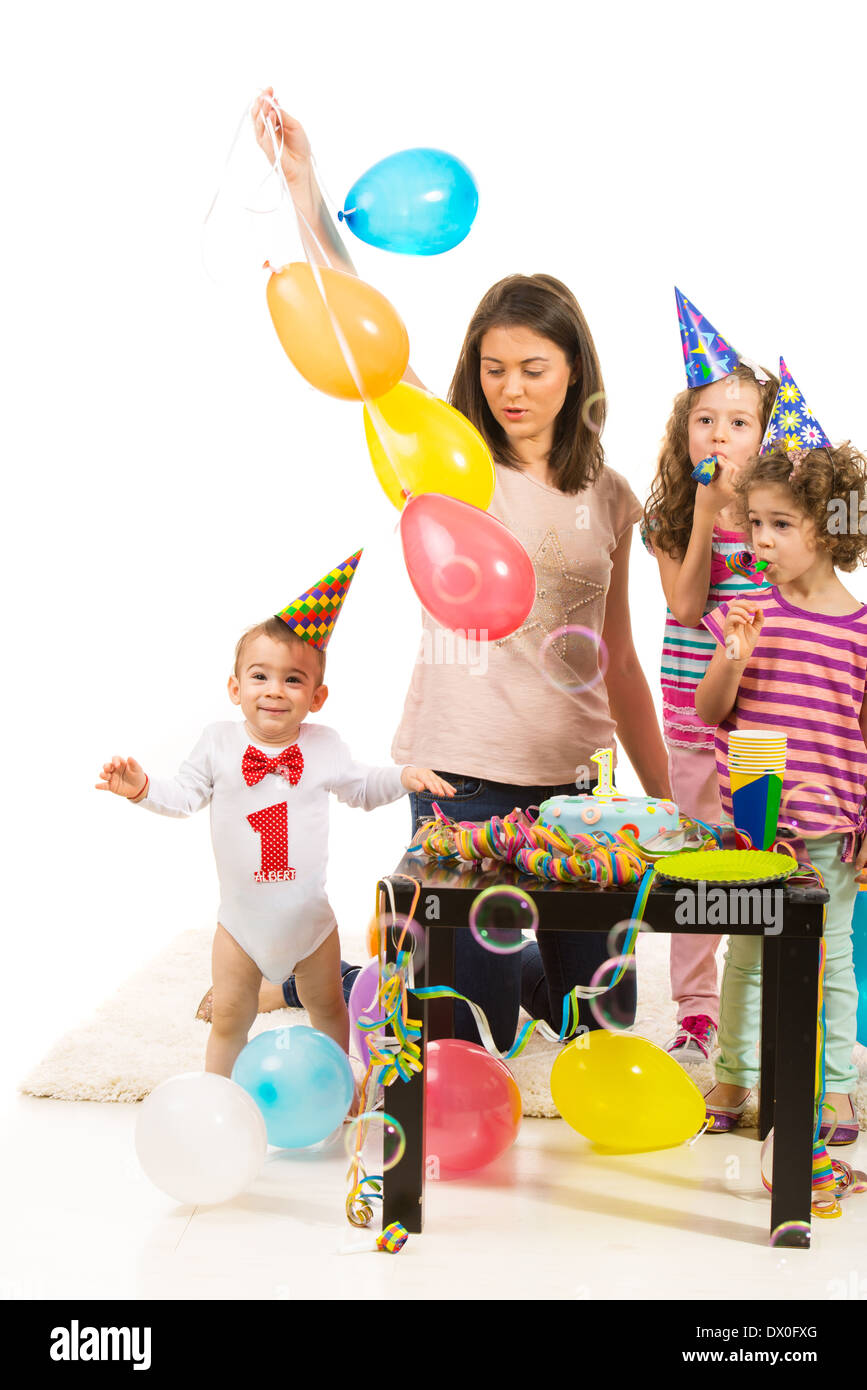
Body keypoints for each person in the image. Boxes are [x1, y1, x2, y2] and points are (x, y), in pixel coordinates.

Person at [248, 90, 673, 1051]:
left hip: (577, 785)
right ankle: (328, 975)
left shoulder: (608, 495)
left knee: (594, 1018)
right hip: (462, 776)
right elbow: (354, 334)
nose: (510, 388)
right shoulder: (444, 466)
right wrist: (307, 186)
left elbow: (622, 661)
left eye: (532, 367)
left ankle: (398, 967)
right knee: (462, 1026)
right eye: (492, 368)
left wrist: (665, 802)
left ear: (574, 371)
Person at [95, 562, 453, 1079]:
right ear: (235, 687)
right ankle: (217, 1098)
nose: (275, 690)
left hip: (310, 922)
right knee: (229, 1019)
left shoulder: (323, 745)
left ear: (316, 696)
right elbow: (183, 797)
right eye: (259, 676)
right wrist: (143, 789)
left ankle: (337, 1091)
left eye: (293, 680)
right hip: (240, 925)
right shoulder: (218, 743)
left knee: (328, 1009)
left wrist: (404, 776)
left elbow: (360, 786)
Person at [695, 368, 867, 1144]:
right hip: (756, 831)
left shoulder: (860, 629)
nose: (759, 540)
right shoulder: (747, 611)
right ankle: (734, 1074)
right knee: (747, 959)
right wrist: (730, 656)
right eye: (755, 523)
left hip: (831, 830)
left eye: (780, 525)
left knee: (831, 966)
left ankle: (832, 1091)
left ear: (829, 529)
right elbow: (709, 712)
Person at [642, 292, 778, 1065]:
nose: (719, 433)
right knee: (694, 863)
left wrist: (750, 516)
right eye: (704, 420)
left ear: (764, 435)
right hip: (694, 721)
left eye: (737, 421)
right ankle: (696, 1013)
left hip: (761, 722)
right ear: (682, 431)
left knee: (756, 858)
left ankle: (749, 1006)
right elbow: (686, 604)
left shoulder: (781, 516)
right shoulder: (665, 517)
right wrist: (702, 514)